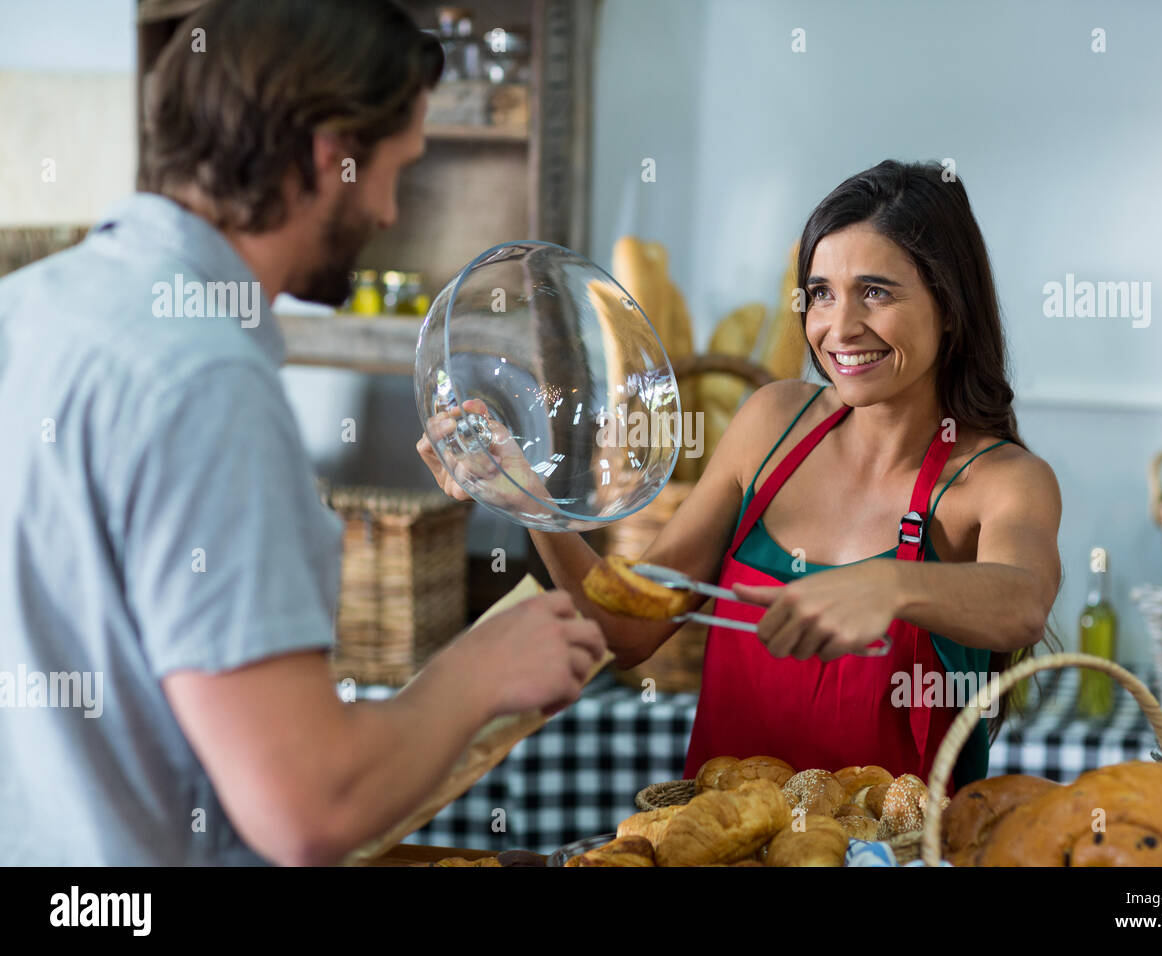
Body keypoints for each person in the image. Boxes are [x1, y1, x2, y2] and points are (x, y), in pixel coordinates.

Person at [0, 0, 604, 866]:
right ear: (332, 156)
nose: (392, 211)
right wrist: (481, 672)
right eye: (399, 168)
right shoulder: (207, 380)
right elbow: (309, 806)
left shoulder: (26, 308)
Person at [420, 161, 1061, 791]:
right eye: (820, 294)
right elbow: (627, 627)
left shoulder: (1000, 480)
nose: (839, 328)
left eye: (877, 292)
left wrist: (892, 585)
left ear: (951, 307)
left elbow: (1023, 602)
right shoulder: (772, 424)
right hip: (722, 846)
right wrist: (531, 502)